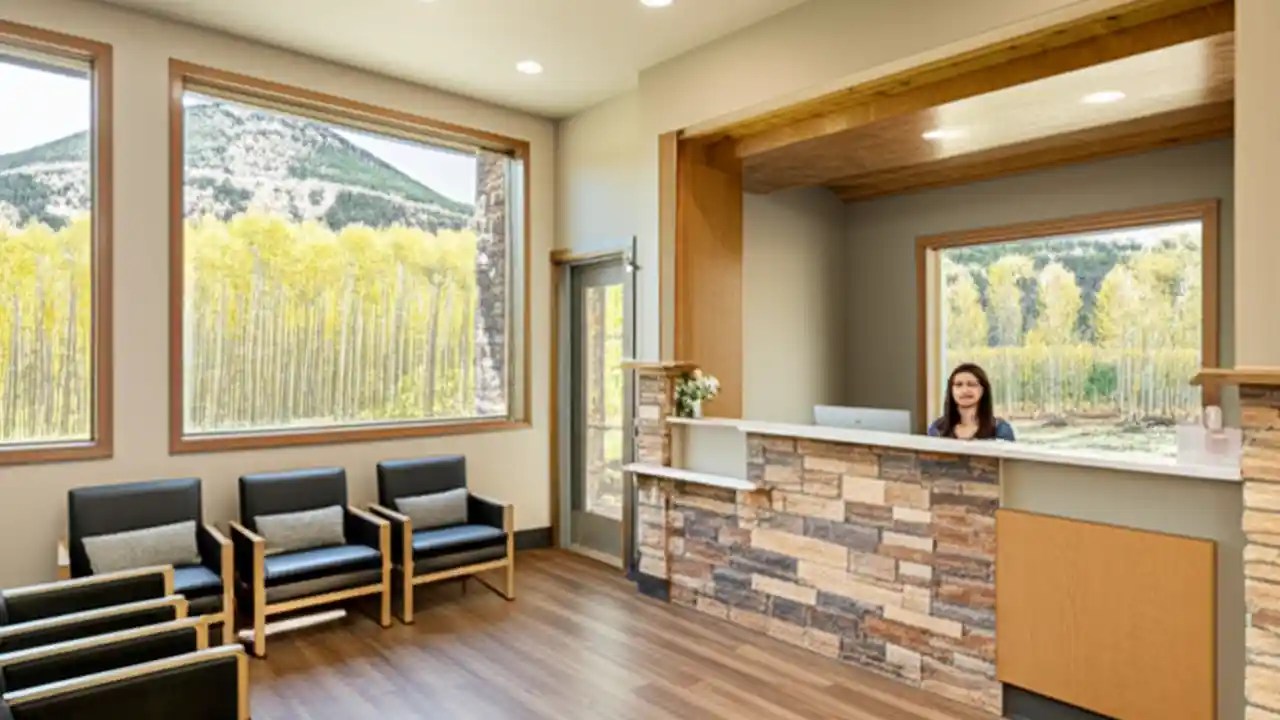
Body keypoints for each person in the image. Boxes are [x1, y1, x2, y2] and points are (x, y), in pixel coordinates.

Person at [927, 363, 1016, 441]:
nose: (965, 390)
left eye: (971, 384)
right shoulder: (937, 429)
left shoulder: (1000, 429)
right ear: (951, 390)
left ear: (983, 390)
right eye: (958, 385)